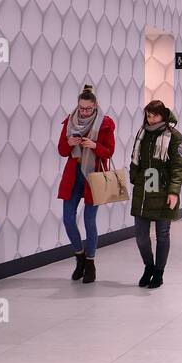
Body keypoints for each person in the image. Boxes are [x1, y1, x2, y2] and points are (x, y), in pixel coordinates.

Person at [57, 84, 116, 283]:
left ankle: (90, 262)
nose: (84, 112)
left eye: (88, 109)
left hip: (94, 175)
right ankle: (79, 256)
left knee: (89, 221)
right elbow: (62, 151)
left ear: (95, 106)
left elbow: (109, 152)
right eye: (81, 108)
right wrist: (69, 143)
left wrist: (94, 146)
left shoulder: (105, 123)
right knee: (68, 219)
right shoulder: (70, 122)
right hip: (73, 174)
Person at [128, 99, 182, 289]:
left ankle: (159, 273)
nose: (151, 119)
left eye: (155, 116)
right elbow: (135, 158)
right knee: (141, 235)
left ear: (163, 116)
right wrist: (135, 177)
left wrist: (174, 192)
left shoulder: (174, 136)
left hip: (164, 190)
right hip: (143, 190)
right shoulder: (142, 133)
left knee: (163, 234)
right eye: (148, 115)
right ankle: (149, 267)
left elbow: (178, 167)